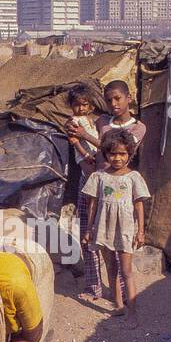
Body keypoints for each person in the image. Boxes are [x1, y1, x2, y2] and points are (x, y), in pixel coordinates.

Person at [81, 129, 150, 319]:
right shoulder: (99, 177)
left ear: (130, 154)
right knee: (111, 268)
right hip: (104, 228)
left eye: (122, 154)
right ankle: (118, 306)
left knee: (127, 271)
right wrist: (89, 229)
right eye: (113, 153)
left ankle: (133, 313)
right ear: (105, 154)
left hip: (126, 229)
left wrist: (141, 231)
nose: (117, 158)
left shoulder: (133, 177)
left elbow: (139, 205)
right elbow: (92, 204)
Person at [64, 85, 104, 298]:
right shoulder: (73, 122)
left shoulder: (94, 120)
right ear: (71, 106)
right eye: (77, 105)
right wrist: (85, 156)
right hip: (86, 167)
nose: (81, 108)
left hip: (99, 169)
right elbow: (75, 142)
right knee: (87, 232)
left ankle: (105, 284)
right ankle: (93, 284)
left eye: (85, 104)